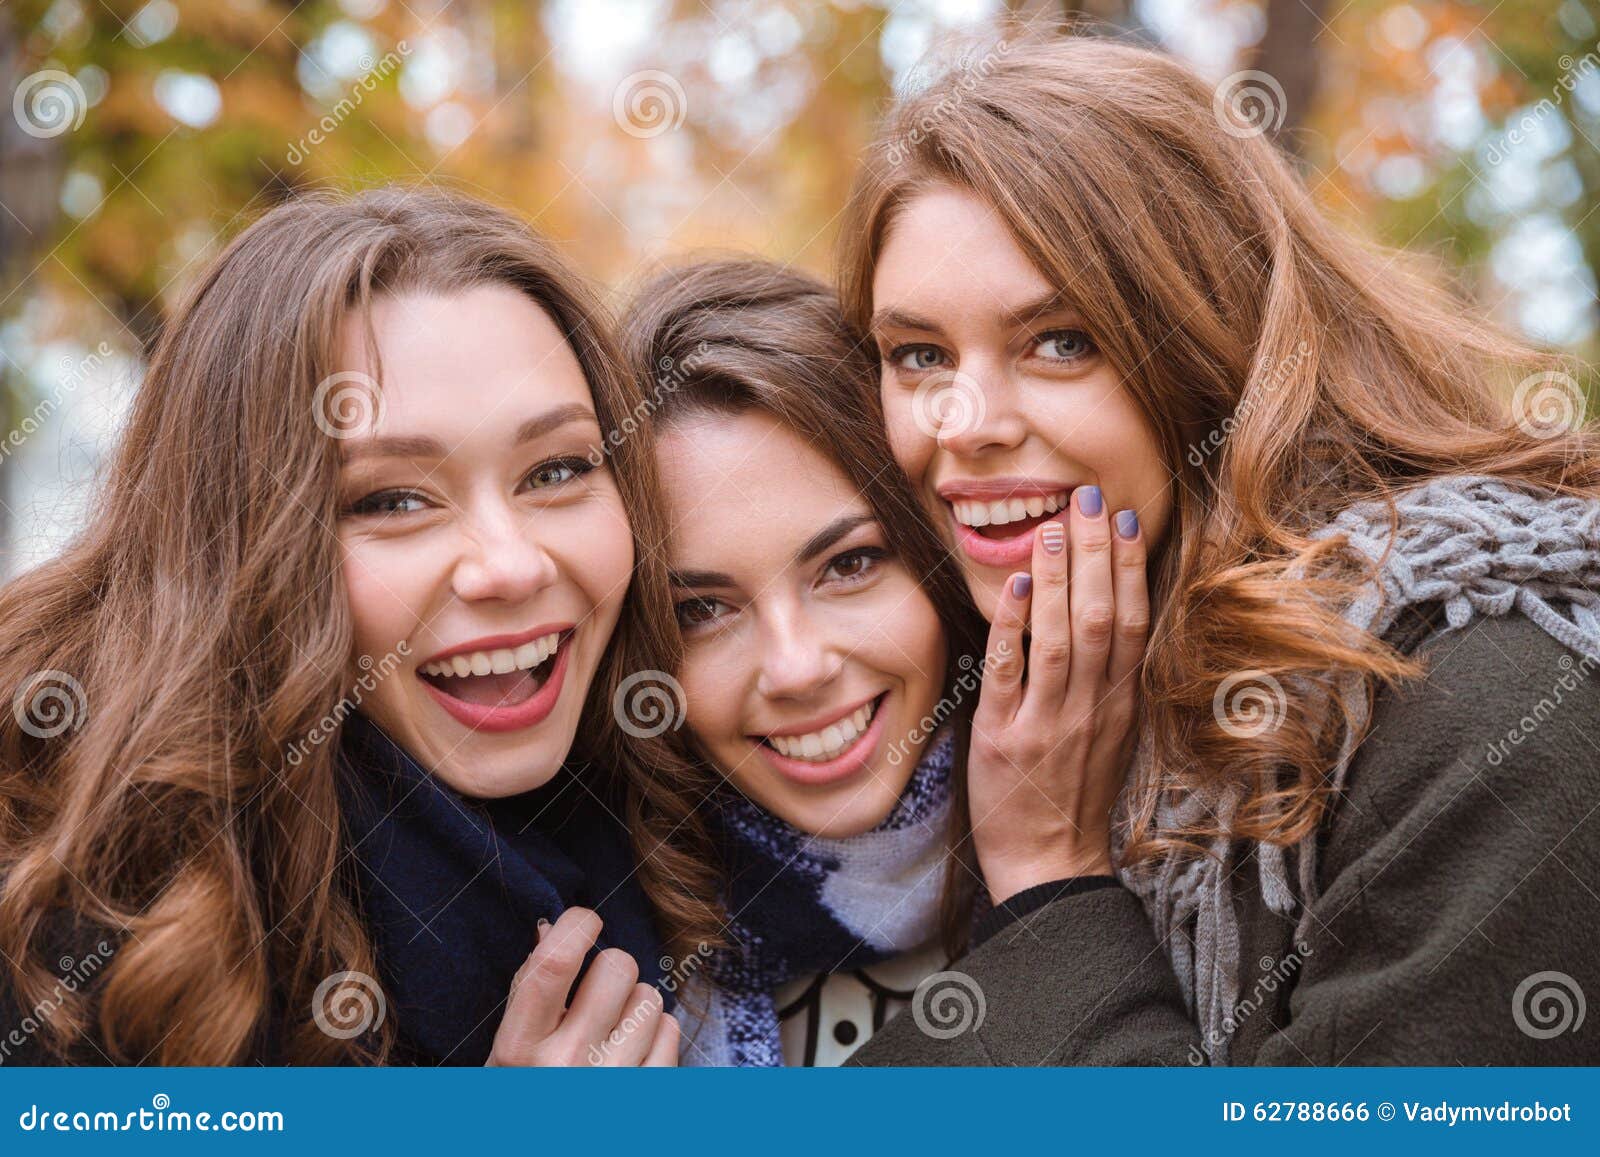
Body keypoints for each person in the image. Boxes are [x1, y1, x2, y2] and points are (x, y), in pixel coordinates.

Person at [838, 35, 1600, 1065]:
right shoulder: (951, 695)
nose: (964, 424)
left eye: (1061, 341)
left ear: (1217, 342)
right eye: (918, 354)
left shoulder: (1486, 685)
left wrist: (1048, 880)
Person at [0, 188, 678, 1066]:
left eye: (556, 470)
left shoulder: (693, 812)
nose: (512, 566)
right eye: (391, 500)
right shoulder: (63, 917)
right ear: (233, 546)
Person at [617, 259, 987, 1065]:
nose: (796, 668)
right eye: (701, 610)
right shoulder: (590, 963)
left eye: (849, 564)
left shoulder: (1167, 855)